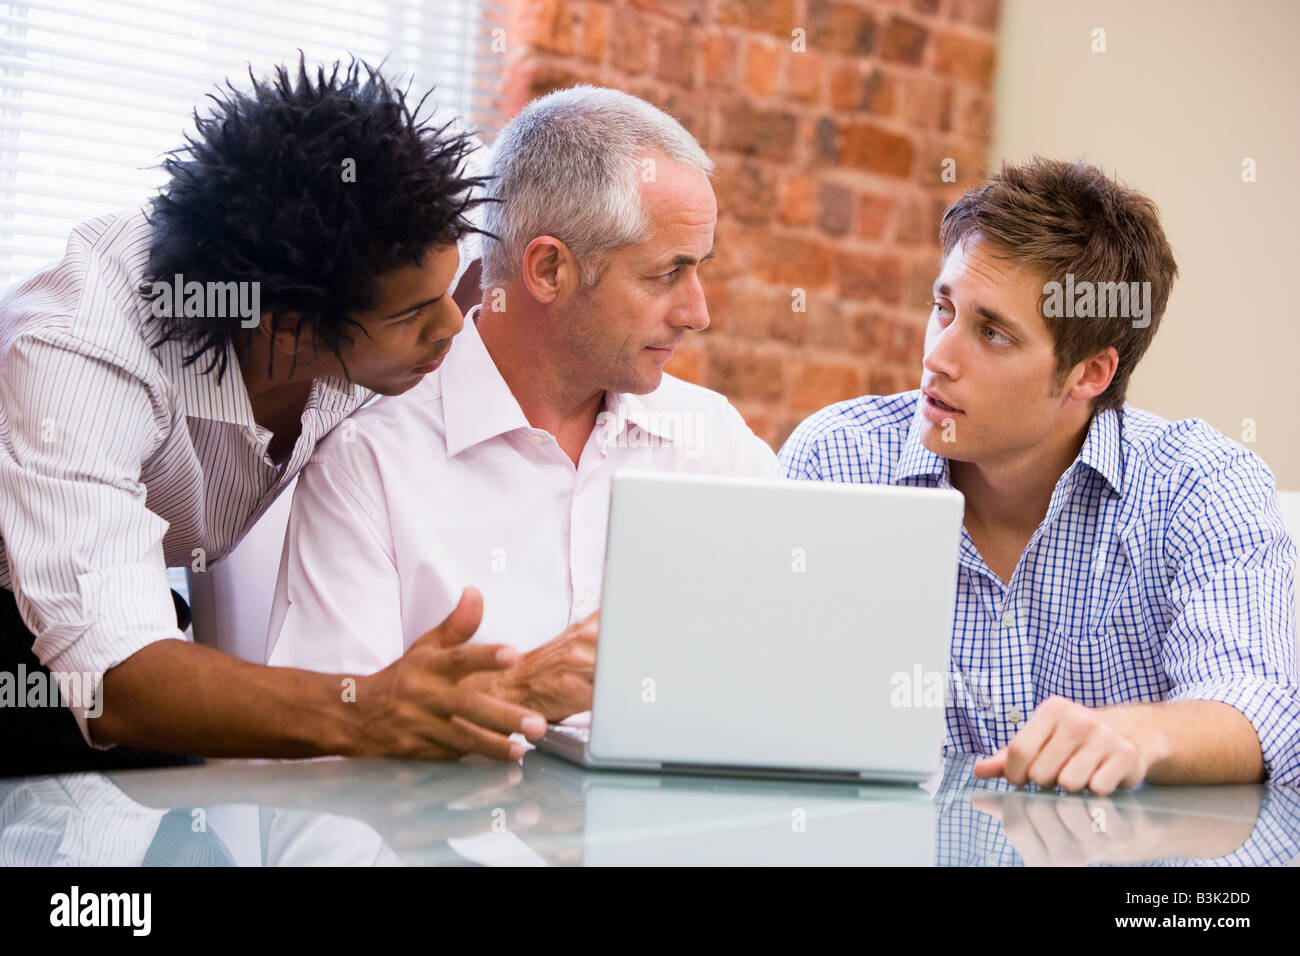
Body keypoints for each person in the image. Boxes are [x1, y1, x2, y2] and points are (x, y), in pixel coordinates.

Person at [0, 58, 547, 777]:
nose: (454, 326)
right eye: (414, 313)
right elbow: (115, 683)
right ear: (286, 330)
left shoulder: (342, 284)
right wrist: (374, 710)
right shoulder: (82, 350)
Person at [781, 157, 1299, 793]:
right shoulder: (838, 464)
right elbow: (763, 700)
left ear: (1090, 375)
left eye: (993, 333)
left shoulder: (1202, 485)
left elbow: (1260, 707)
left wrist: (1140, 736)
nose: (937, 358)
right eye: (943, 309)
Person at [266, 86, 781, 722]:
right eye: (665, 273)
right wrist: (518, 696)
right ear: (547, 271)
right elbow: (325, 753)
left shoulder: (715, 443)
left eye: (700, 269)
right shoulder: (368, 462)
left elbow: (784, 693)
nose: (698, 313)